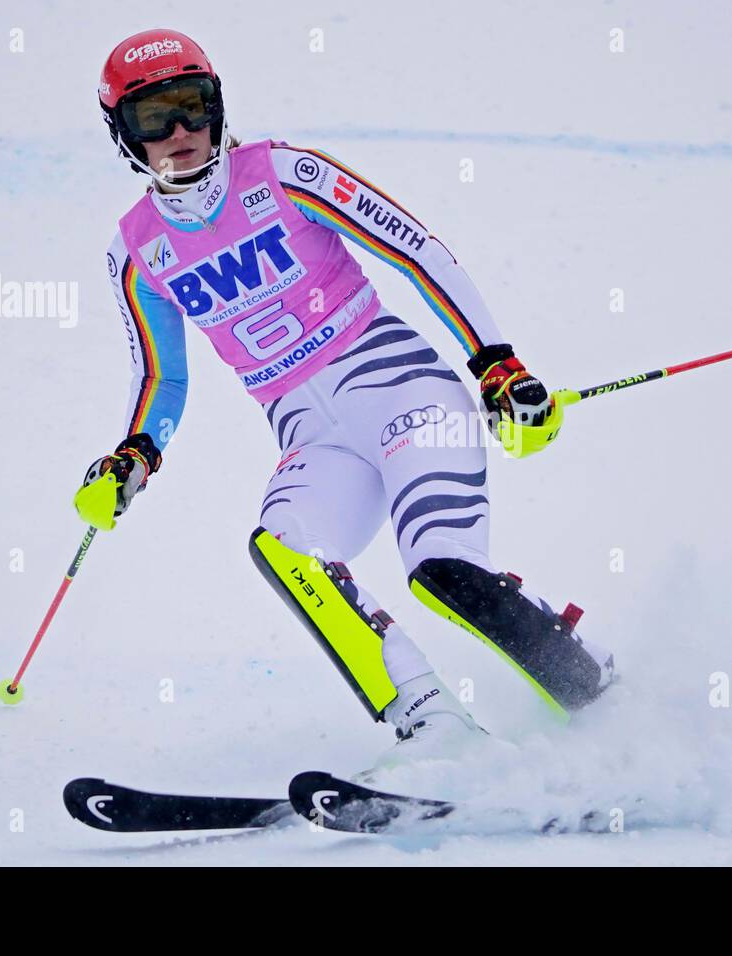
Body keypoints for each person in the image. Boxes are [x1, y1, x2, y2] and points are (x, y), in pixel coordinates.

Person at [81, 28, 615, 763]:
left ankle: (600, 693)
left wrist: (497, 363)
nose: (180, 133)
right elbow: (163, 378)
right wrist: (134, 457)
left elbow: (415, 250)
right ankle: (434, 727)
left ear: (217, 105)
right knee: (285, 549)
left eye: (193, 106)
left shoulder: (284, 171)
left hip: (405, 395)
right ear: (124, 135)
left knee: (443, 572)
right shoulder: (134, 251)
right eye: (153, 117)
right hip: (316, 440)